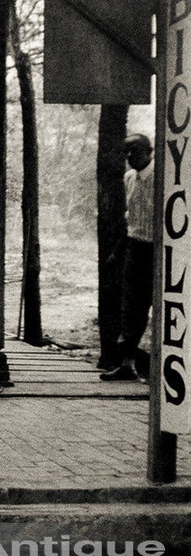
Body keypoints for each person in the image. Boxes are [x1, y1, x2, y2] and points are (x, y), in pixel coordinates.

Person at [101, 133, 154, 382]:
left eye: (135, 151)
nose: (130, 157)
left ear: (149, 151)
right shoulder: (129, 178)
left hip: (161, 250)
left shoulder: (161, 177)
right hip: (137, 248)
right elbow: (129, 218)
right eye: (127, 153)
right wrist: (118, 251)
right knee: (132, 307)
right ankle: (127, 364)